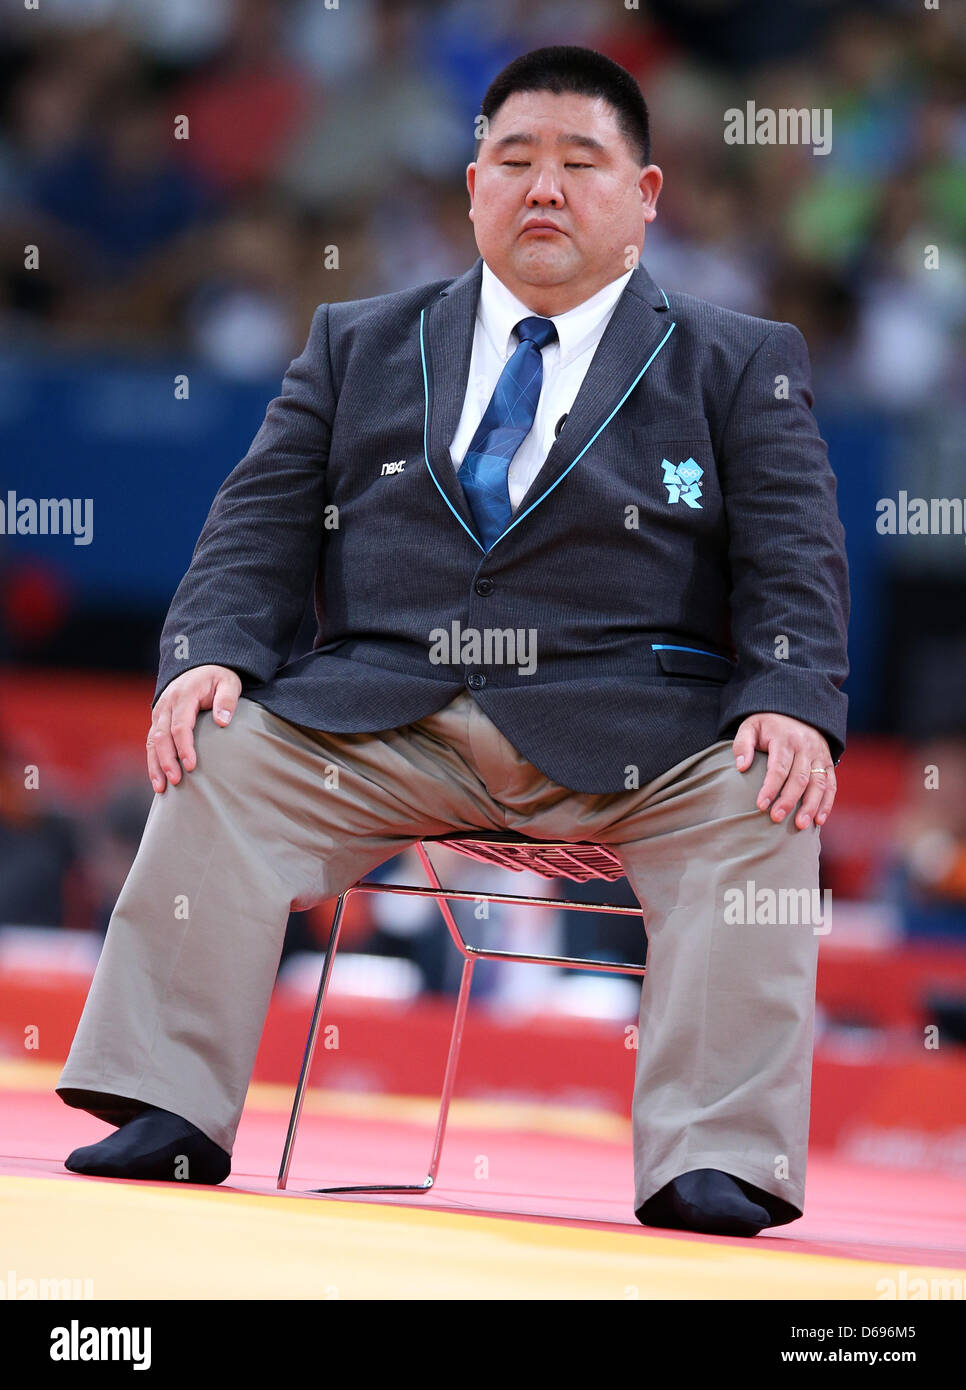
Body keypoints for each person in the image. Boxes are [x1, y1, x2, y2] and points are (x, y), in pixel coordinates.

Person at [56, 46, 849, 1238]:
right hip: (383, 718)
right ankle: (167, 1107)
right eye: (516, 161)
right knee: (217, 747)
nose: (544, 188)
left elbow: (797, 556)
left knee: (770, 788)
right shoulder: (357, 340)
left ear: (645, 198)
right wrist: (208, 651)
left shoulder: (736, 360)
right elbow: (256, 526)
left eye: (582, 162)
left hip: (636, 738)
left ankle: (714, 1156)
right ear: (471, 185)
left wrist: (789, 695)